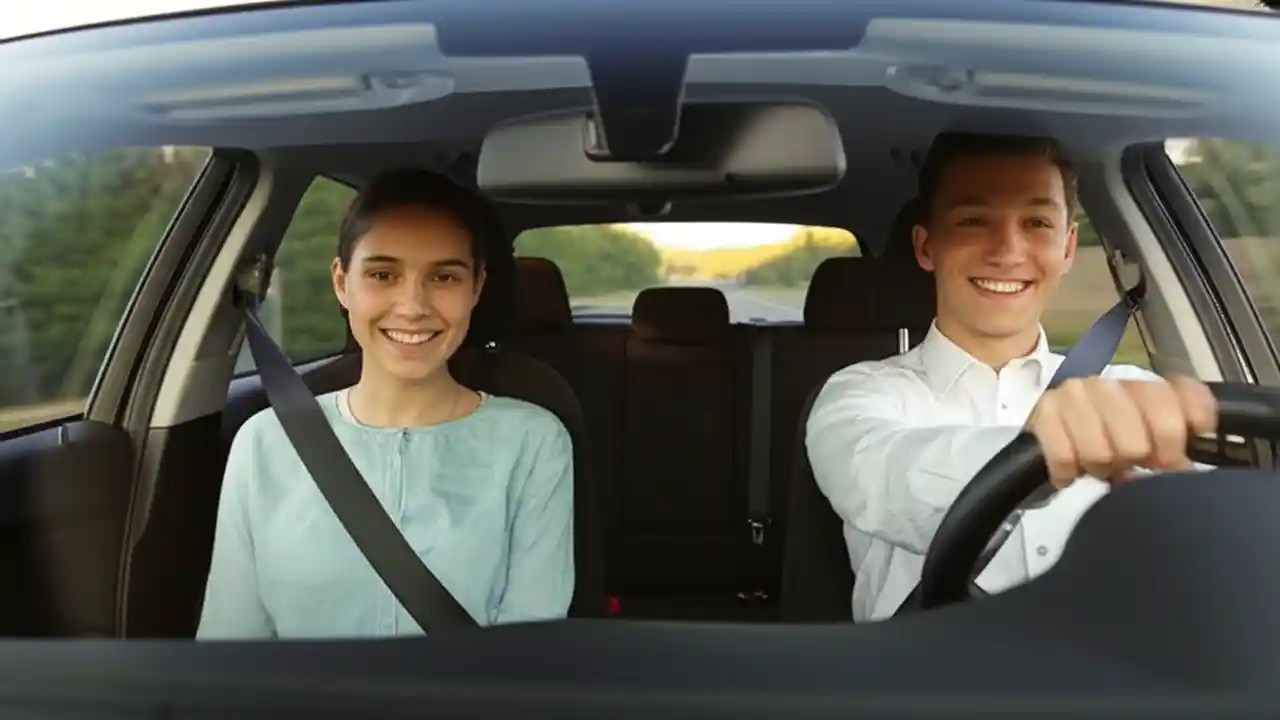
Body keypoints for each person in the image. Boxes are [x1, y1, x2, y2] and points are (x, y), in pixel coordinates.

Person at [805, 133, 1218, 622]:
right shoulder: (858, 395)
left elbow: (1222, 548)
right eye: (974, 220)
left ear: (1067, 249)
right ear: (926, 246)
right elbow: (887, 485)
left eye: (1037, 222)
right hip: (924, 689)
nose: (1007, 250)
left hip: (1111, 686)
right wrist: (1046, 445)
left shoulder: (1134, 396)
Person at [197, 168, 575, 639]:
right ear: (342, 282)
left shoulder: (534, 442)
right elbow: (231, 648)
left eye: (443, 276)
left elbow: (530, 650)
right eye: (382, 274)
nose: (413, 305)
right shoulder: (264, 443)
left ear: (477, 286)